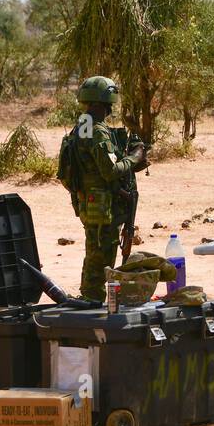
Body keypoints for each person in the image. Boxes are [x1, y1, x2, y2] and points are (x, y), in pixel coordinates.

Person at [56, 76, 149, 301]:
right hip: (103, 207)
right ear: (104, 102)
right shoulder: (96, 130)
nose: (111, 108)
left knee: (95, 255)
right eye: (110, 104)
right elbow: (108, 171)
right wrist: (135, 157)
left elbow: (93, 168)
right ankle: (92, 302)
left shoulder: (82, 126)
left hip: (91, 202)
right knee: (102, 258)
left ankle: (90, 299)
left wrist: (128, 163)